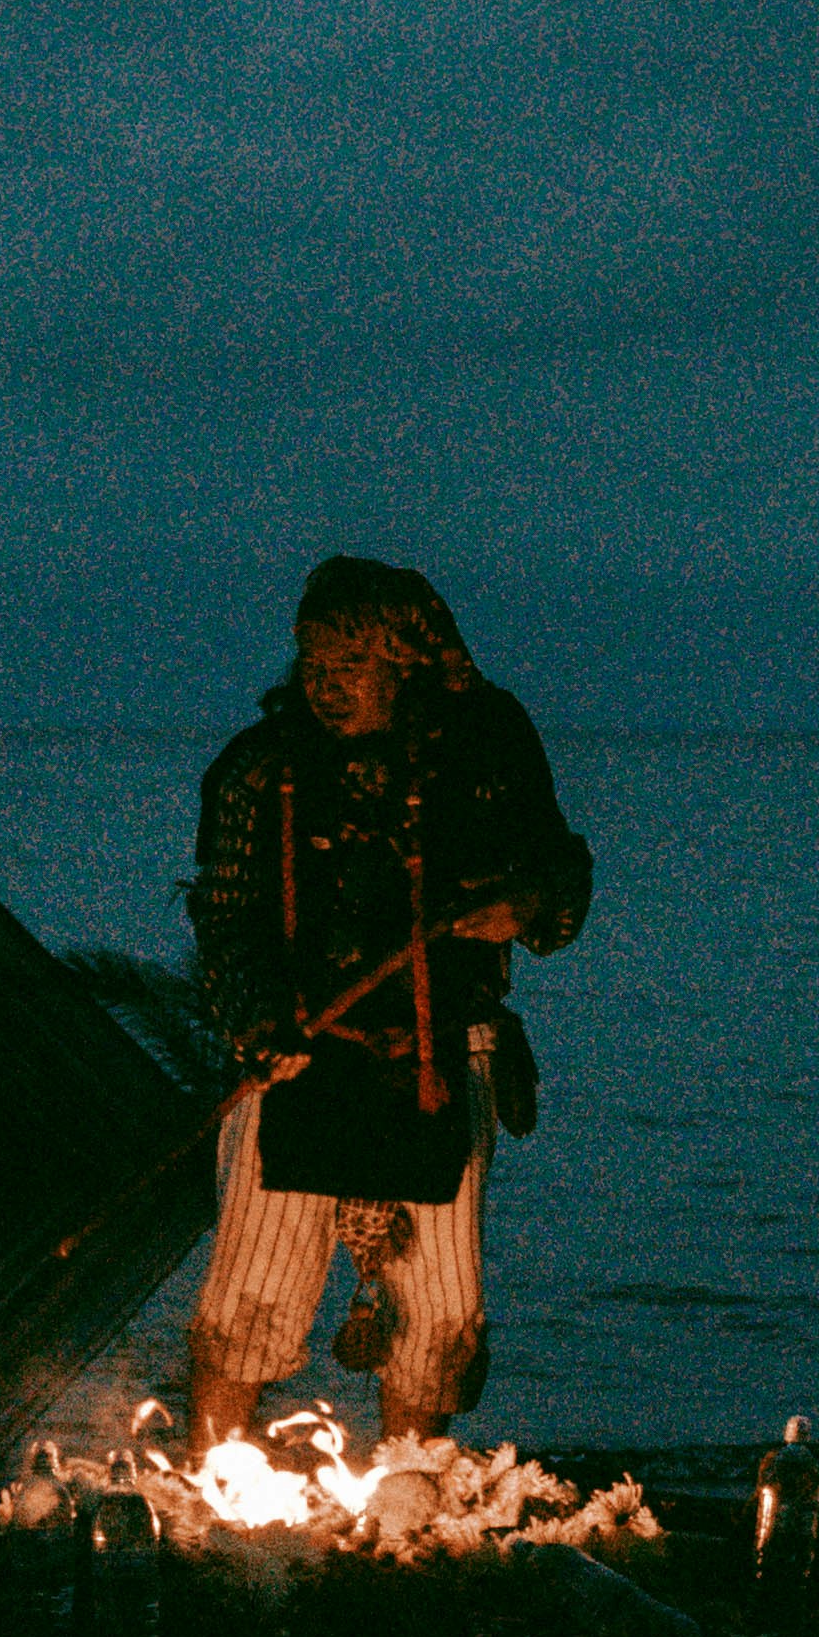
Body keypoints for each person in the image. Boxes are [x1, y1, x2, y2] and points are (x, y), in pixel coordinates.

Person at [181, 559, 593, 1456]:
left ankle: (405, 1502)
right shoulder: (263, 766)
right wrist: (257, 1019)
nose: (325, 687)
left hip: (442, 1057)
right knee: (247, 1297)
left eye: (350, 668)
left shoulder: (487, 747)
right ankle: (211, 1496)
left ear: (406, 663)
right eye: (313, 665)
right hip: (293, 1061)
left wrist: (523, 906)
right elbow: (224, 909)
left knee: (438, 1315)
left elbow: (560, 866)